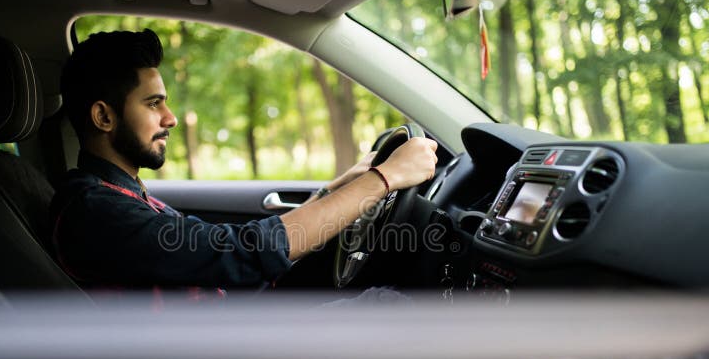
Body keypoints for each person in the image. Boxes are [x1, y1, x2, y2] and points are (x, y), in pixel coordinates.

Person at [51, 29, 437, 289]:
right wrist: (384, 180)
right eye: (153, 104)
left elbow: (217, 247)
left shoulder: (120, 195)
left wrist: (340, 189)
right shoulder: (96, 211)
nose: (169, 118)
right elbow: (239, 251)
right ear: (103, 117)